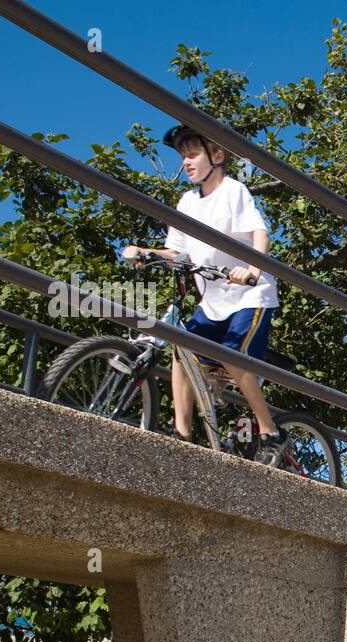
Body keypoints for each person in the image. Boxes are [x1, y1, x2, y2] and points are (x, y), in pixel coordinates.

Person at [123, 125, 287, 464]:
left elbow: (259, 233)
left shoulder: (233, 190)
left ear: (217, 156)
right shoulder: (186, 202)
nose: (186, 162)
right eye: (182, 156)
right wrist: (145, 252)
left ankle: (271, 431)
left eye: (193, 154)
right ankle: (182, 435)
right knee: (180, 354)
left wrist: (253, 270)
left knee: (232, 355)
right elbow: (176, 252)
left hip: (248, 296)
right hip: (213, 302)